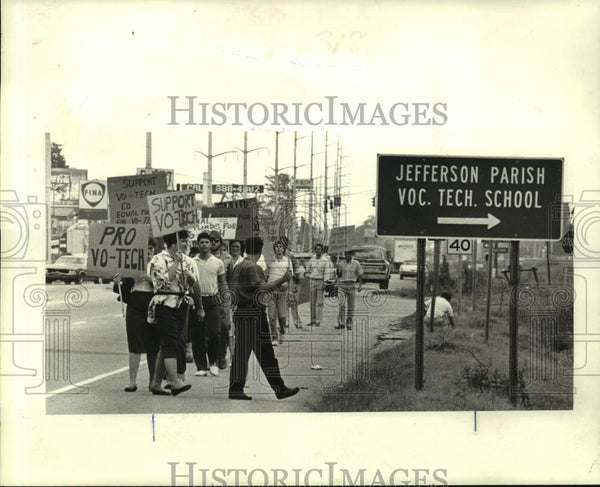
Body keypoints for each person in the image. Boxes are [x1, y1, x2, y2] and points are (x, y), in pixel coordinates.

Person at [228, 236, 300, 401]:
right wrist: (283, 279)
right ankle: (279, 388)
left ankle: (236, 388)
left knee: (241, 353)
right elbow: (261, 288)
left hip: (241, 312)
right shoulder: (253, 267)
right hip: (253, 312)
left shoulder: (238, 266)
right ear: (260, 250)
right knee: (266, 352)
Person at [147, 230, 204, 397]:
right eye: (183, 241)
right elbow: (163, 281)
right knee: (170, 341)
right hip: (165, 302)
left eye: (187, 241)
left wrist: (190, 282)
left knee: (169, 343)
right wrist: (175, 264)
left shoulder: (189, 261)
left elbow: (194, 284)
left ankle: (156, 384)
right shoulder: (158, 259)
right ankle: (173, 382)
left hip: (181, 303)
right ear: (173, 243)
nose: (186, 244)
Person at [112, 239, 160, 392]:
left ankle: (153, 382)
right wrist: (118, 281)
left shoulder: (159, 264)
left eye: (151, 248)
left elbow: (166, 284)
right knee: (134, 343)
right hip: (135, 302)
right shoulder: (131, 263)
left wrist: (151, 280)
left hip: (152, 302)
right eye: (146, 248)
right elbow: (120, 287)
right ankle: (132, 382)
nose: (149, 251)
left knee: (153, 344)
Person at [191, 232, 230, 377]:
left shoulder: (218, 262)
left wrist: (225, 302)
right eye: (201, 242)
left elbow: (223, 283)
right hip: (197, 300)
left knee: (214, 332)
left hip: (213, 300)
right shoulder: (192, 262)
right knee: (198, 334)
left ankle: (213, 363)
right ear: (197, 244)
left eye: (207, 242)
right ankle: (201, 366)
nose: (204, 245)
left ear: (210, 244)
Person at [209, 230, 232, 369]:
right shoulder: (203, 256)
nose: (213, 243)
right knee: (210, 329)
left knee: (224, 326)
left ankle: (222, 356)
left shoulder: (228, 259)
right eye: (211, 240)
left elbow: (231, 279)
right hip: (209, 294)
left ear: (220, 242)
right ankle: (211, 357)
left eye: (216, 240)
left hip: (223, 295)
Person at [265, 239, 293, 345]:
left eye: (281, 247)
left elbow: (290, 277)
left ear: (284, 249)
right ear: (274, 249)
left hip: (283, 290)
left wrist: (290, 292)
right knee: (271, 316)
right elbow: (266, 276)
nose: (279, 249)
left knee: (282, 315)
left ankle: (282, 331)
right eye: (277, 247)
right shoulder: (270, 261)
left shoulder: (288, 261)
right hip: (271, 290)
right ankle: (274, 336)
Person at [305, 243, 333, 326]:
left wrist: (325, 282)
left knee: (320, 302)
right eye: (316, 249)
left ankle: (318, 321)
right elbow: (307, 269)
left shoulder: (325, 260)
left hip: (321, 281)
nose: (318, 250)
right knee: (312, 302)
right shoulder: (312, 259)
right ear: (315, 250)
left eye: (319, 249)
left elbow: (327, 272)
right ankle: (312, 320)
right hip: (312, 280)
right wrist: (308, 275)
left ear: (322, 250)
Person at [335, 249, 364, 331]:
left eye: (350, 254)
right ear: (344, 255)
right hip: (342, 285)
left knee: (351, 305)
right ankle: (341, 323)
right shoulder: (340, 263)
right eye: (347, 254)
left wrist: (360, 285)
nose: (348, 256)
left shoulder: (356, 263)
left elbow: (360, 274)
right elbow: (339, 275)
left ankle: (349, 322)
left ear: (352, 255)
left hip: (351, 285)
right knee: (342, 304)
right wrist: (337, 269)